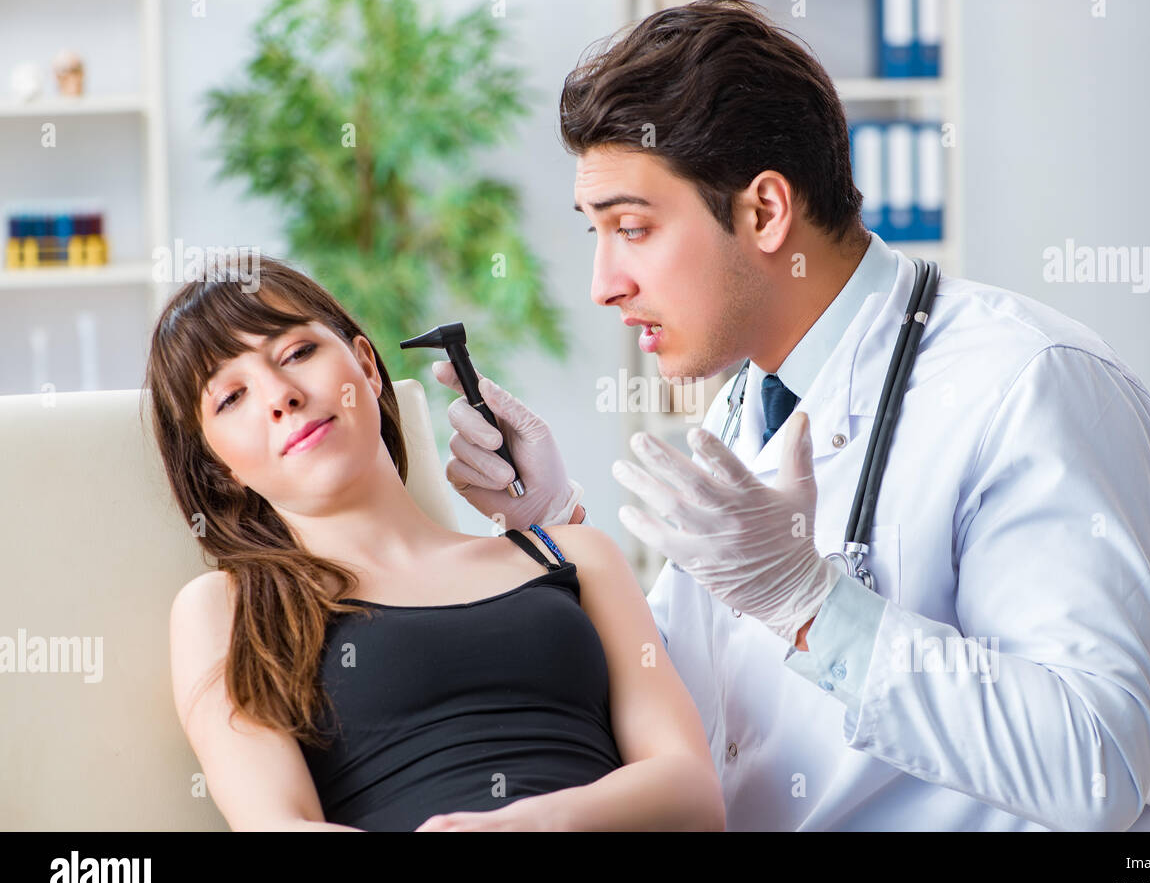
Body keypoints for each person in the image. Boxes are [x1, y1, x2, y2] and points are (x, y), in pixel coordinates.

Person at [435, 0, 1150, 830]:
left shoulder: (1033, 382)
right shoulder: (751, 398)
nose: (604, 282)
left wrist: (813, 602)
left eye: (633, 228)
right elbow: (689, 694)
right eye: (596, 235)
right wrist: (556, 532)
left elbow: (1098, 764)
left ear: (764, 212)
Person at [149, 255, 724, 831]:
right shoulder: (226, 609)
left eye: (297, 353)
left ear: (367, 369)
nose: (281, 395)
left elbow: (694, 793)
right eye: (231, 397)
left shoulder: (572, 554)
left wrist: (532, 825)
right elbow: (280, 827)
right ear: (219, 469)